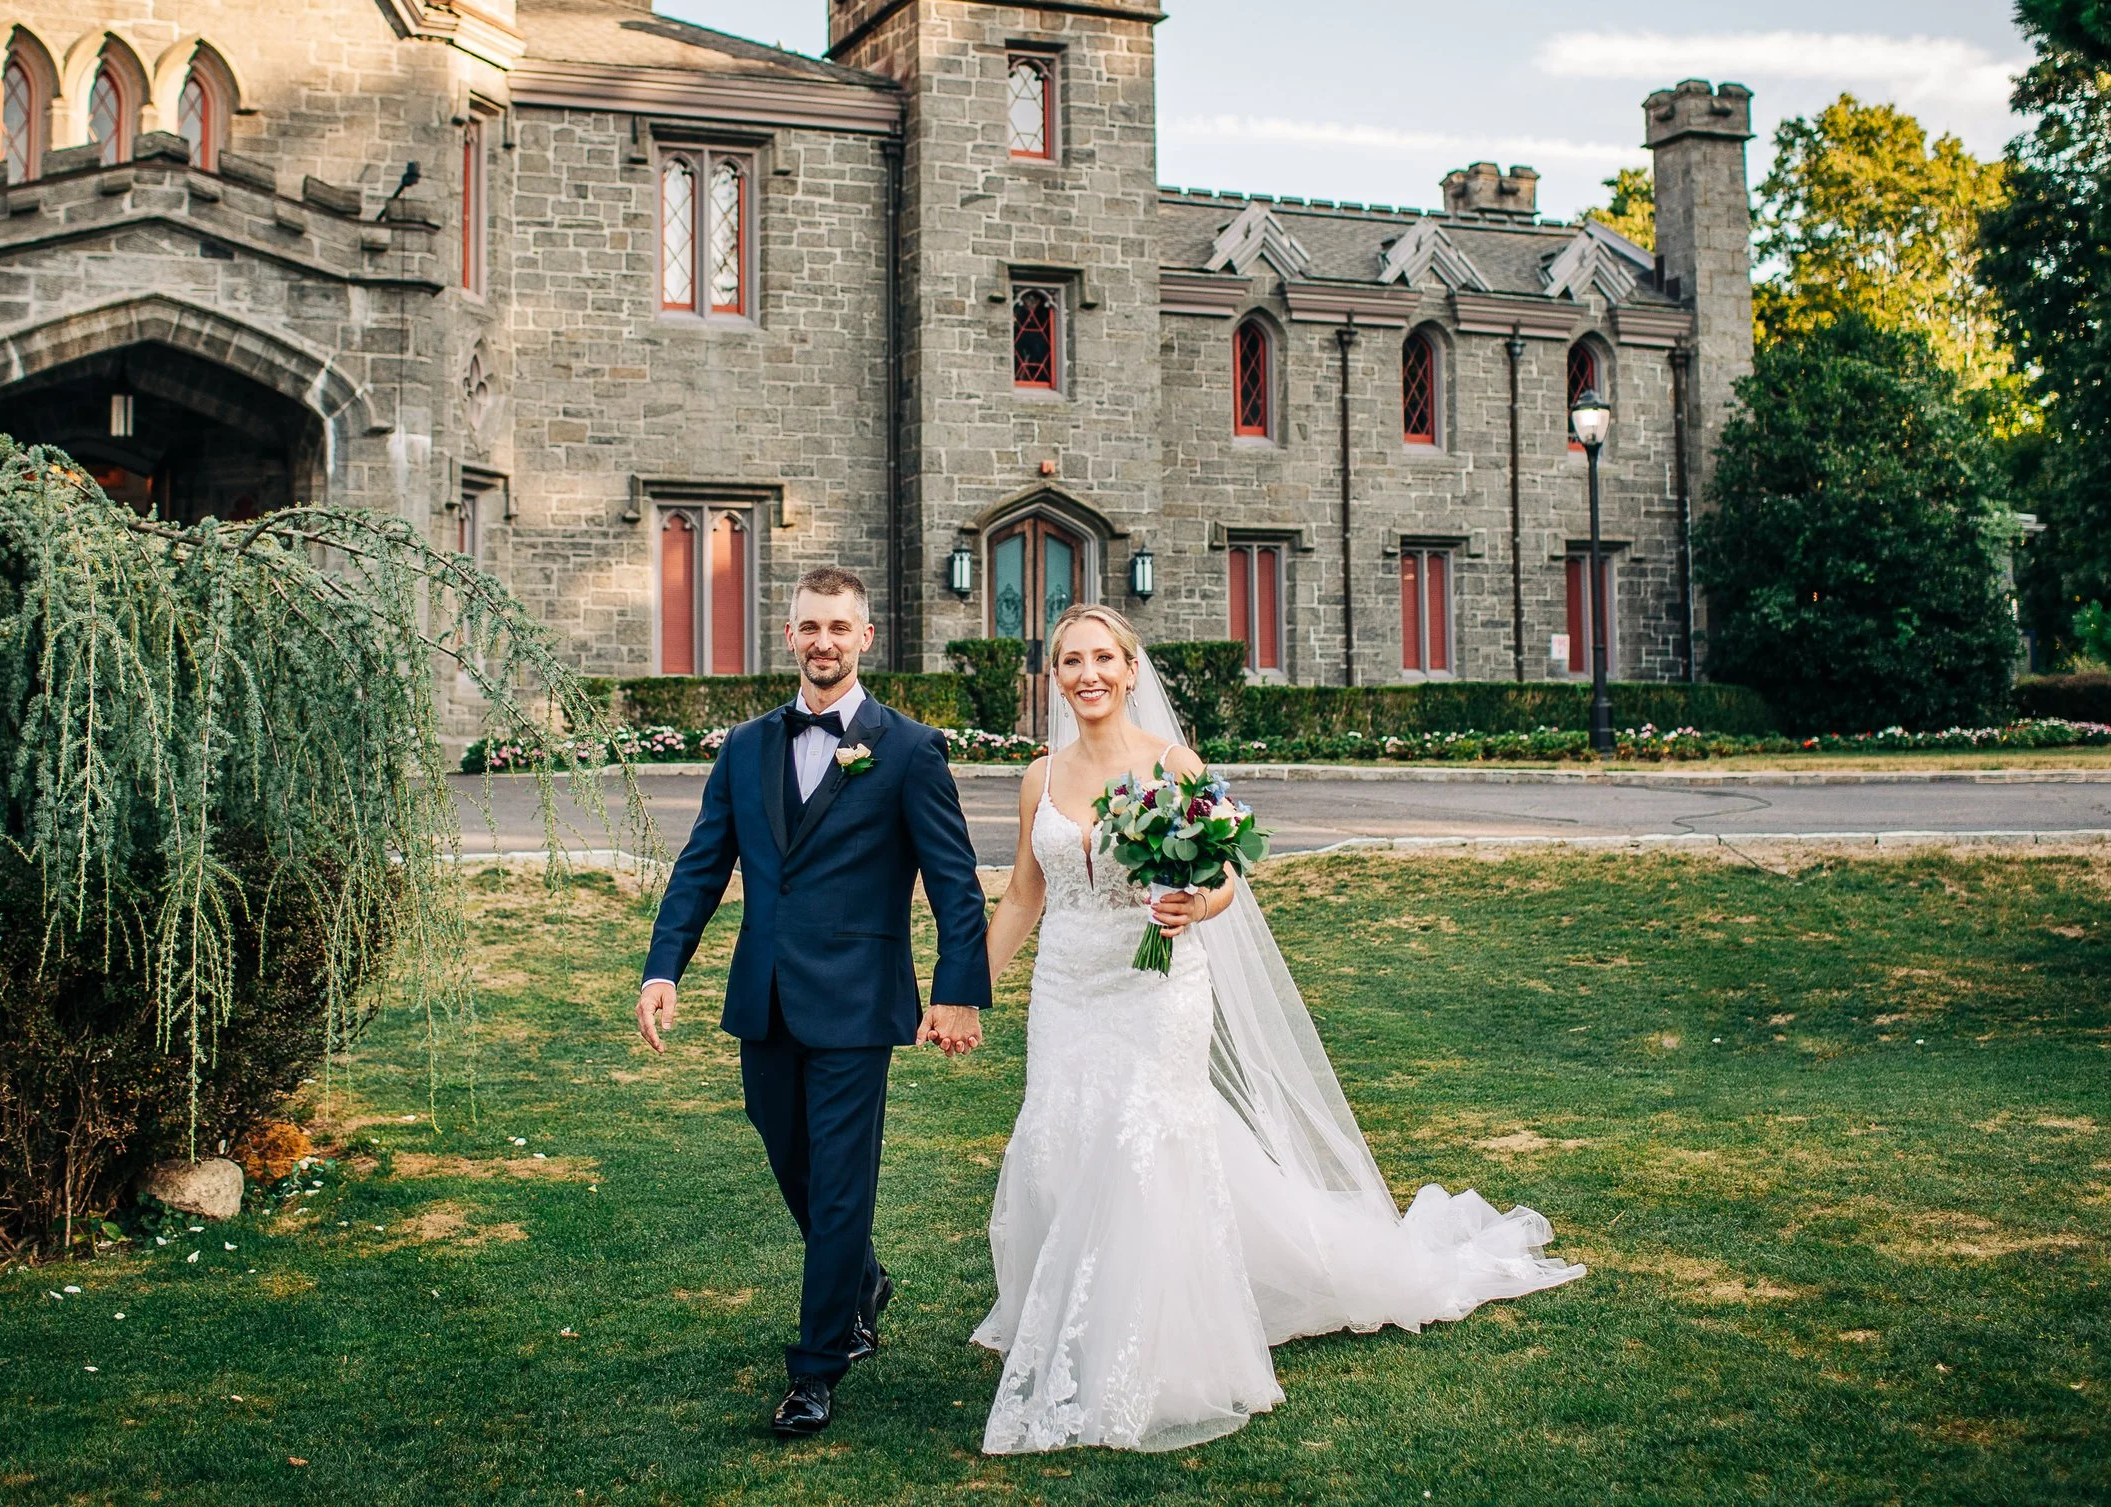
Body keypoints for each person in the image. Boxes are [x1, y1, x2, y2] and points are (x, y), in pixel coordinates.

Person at [970, 603, 1586, 1453]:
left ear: (1130, 665)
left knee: (1141, 1145)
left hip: (1156, 986)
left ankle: (1150, 1347)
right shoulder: (1043, 775)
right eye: (1071, 660)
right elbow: (1024, 895)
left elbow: (1223, 880)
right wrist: (965, 988)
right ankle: (1078, 1309)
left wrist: (1194, 900)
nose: (1088, 675)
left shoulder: (1171, 762)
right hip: (1067, 990)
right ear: (1054, 675)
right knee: (1061, 1142)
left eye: (1103, 657)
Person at [638, 566, 991, 1437]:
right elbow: (701, 864)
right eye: (809, 626)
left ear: (866, 637)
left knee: (839, 1186)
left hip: (860, 1001)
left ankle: (818, 1365)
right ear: (789, 635)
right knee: (788, 1155)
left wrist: (957, 994)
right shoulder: (746, 745)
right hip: (764, 998)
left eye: (840, 626)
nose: (824, 640)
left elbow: (954, 886)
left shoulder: (909, 750)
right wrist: (662, 968)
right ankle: (862, 1278)